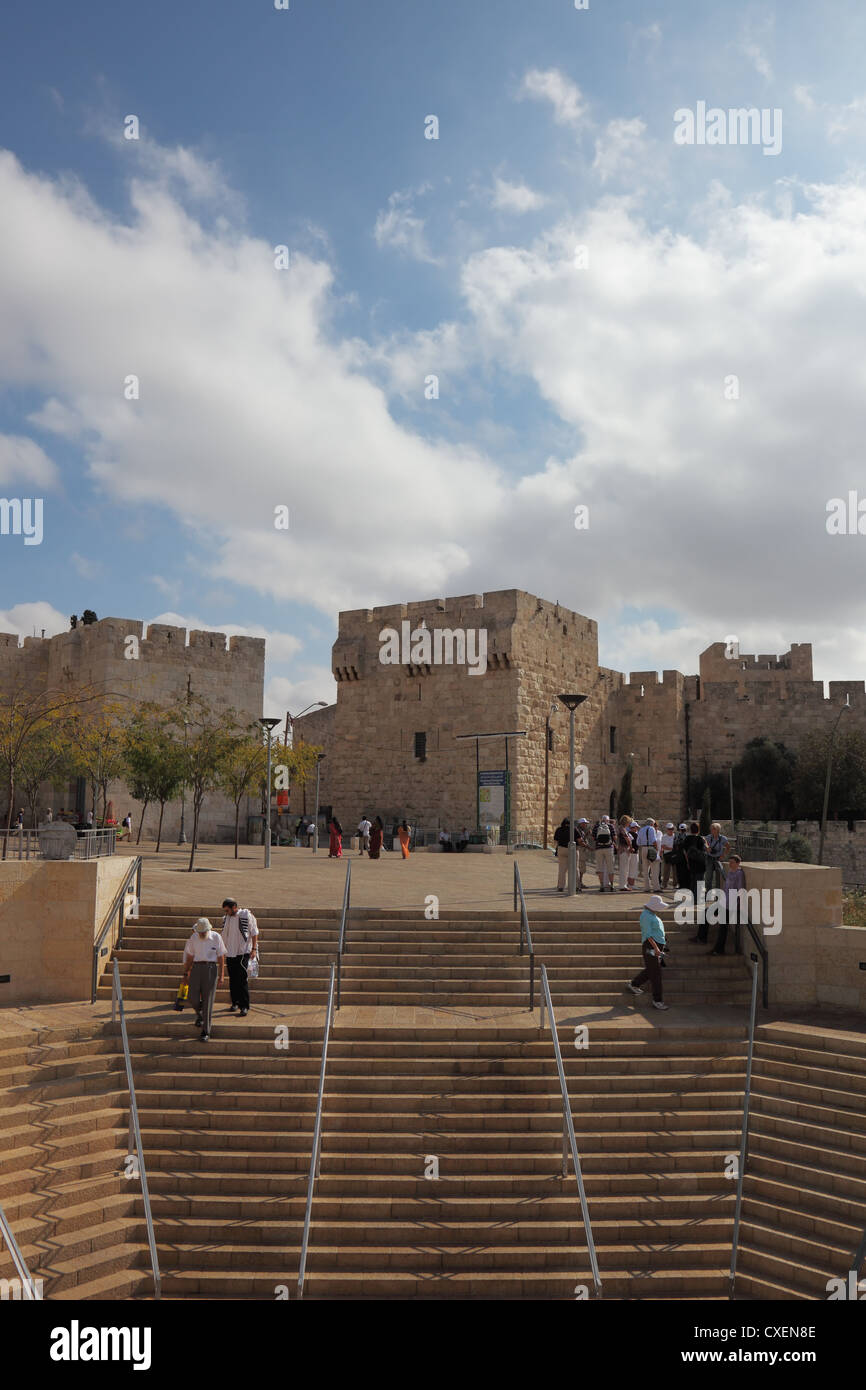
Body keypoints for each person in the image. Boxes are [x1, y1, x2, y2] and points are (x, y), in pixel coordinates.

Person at [182, 917, 226, 1042]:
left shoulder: (216, 937)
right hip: (196, 968)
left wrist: (222, 975)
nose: (201, 934)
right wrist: (185, 973)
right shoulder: (193, 938)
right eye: (199, 931)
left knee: (208, 1000)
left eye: (203, 931)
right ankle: (200, 1013)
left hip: (211, 968)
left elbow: (221, 956)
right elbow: (190, 956)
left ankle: (206, 1031)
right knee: (192, 997)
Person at [627, 894, 671, 1011]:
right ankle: (658, 1000)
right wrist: (656, 948)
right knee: (656, 974)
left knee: (652, 969)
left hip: (655, 946)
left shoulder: (651, 915)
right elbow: (648, 935)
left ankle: (634, 984)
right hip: (650, 947)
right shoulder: (646, 916)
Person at [220, 898, 259, 1017]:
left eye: (228, 910)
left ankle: (244, 1006)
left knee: (242, 980)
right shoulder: (226, 918)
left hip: (243, 952)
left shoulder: (246, 916)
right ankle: (234, 1002)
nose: (226, 912)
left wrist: (254, 949)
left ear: (234, 907)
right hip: (230, 952)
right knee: (233, 980)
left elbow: (254, 932)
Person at [711, 854, 746, 957]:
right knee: (707, 913)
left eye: (732, 862)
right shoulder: (730, 872)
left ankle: (719, 949)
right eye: (729, 862)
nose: (730, 864)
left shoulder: (739, 874)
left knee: (723, 927)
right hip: (723, 902)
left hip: (730, 905)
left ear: (738, 863)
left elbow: (740, 890)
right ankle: (702, 938)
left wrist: (738, 905)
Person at [705, 822, 730, 892]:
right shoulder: (709, 837)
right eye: (711, 829)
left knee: (718, 878)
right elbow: (704, 841)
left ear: (718, 830)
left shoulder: (723, 838)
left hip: (718, 859)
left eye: (713, 829)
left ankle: (717, 894)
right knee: (708, 877)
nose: (711, 830)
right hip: (709, 858)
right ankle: (708, 893)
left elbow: (728, 847)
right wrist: (707, 847)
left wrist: (723, 855)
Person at [637, 818, 660, 891]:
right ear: (652, 824)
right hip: (651, 848)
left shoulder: (641, 830)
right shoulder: (651, 829)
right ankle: (656, 888)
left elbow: (638, 842)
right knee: (654, 869)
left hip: (643, 848)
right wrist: (656, 849)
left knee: (645, 869)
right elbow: (654, 840)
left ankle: (646, 887)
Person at [593, 816, 615, 892]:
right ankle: (611, 885)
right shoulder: (610, 826)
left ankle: (601, 885)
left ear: (601, 820)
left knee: (600, 868)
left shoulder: (596, 826)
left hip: (599, 849)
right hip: (609, 848)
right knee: (610, 867)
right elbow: (614, 837)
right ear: (608, 820)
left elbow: (593, 838)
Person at [553, 817, 572, 892]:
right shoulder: (572, 830)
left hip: (561, 849)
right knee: (573, 868)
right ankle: (574, 886)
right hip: (571, 849)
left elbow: (555, 840)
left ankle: (561, 886)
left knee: (562, 869)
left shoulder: (559, 829)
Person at [616, 815, 634, 892]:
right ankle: (623, 885)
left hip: (621, 849)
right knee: (625, 869)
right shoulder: (622, 829)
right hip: (624, 850)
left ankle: (623, 884)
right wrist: (631, 847)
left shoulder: (619, 828)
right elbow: (627, 839)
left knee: (623, 868)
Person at [660, 822, 676, 889]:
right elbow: (663, 846)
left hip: (674, 854)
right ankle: (664, 884)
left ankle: (675, 884)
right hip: (667, 854)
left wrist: (670, 848)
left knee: (675, 870)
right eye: (669, 829)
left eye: (672, 829)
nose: (671, 830)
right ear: (667, 829)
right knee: (666, 871)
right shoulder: (664, 836)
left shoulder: (675, 836)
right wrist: (671, 848)